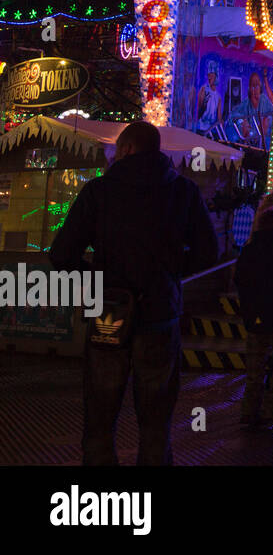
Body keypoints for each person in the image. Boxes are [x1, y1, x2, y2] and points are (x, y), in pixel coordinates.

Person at [50, 121, 218, 465]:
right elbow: (208, 253)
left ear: (126, 149)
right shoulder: (184, 191)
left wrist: (98, 280)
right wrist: (168, 275)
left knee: (100, 412)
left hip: (108, 312)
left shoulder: (99, 191)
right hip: (159, 313)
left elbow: (62, 255)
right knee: (156, 418)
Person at [235, 207, 273, 427]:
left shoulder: (248, 250)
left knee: (255, 368)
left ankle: (248, 412)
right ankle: (271, 410)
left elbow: (239, 281)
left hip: (254, 317)